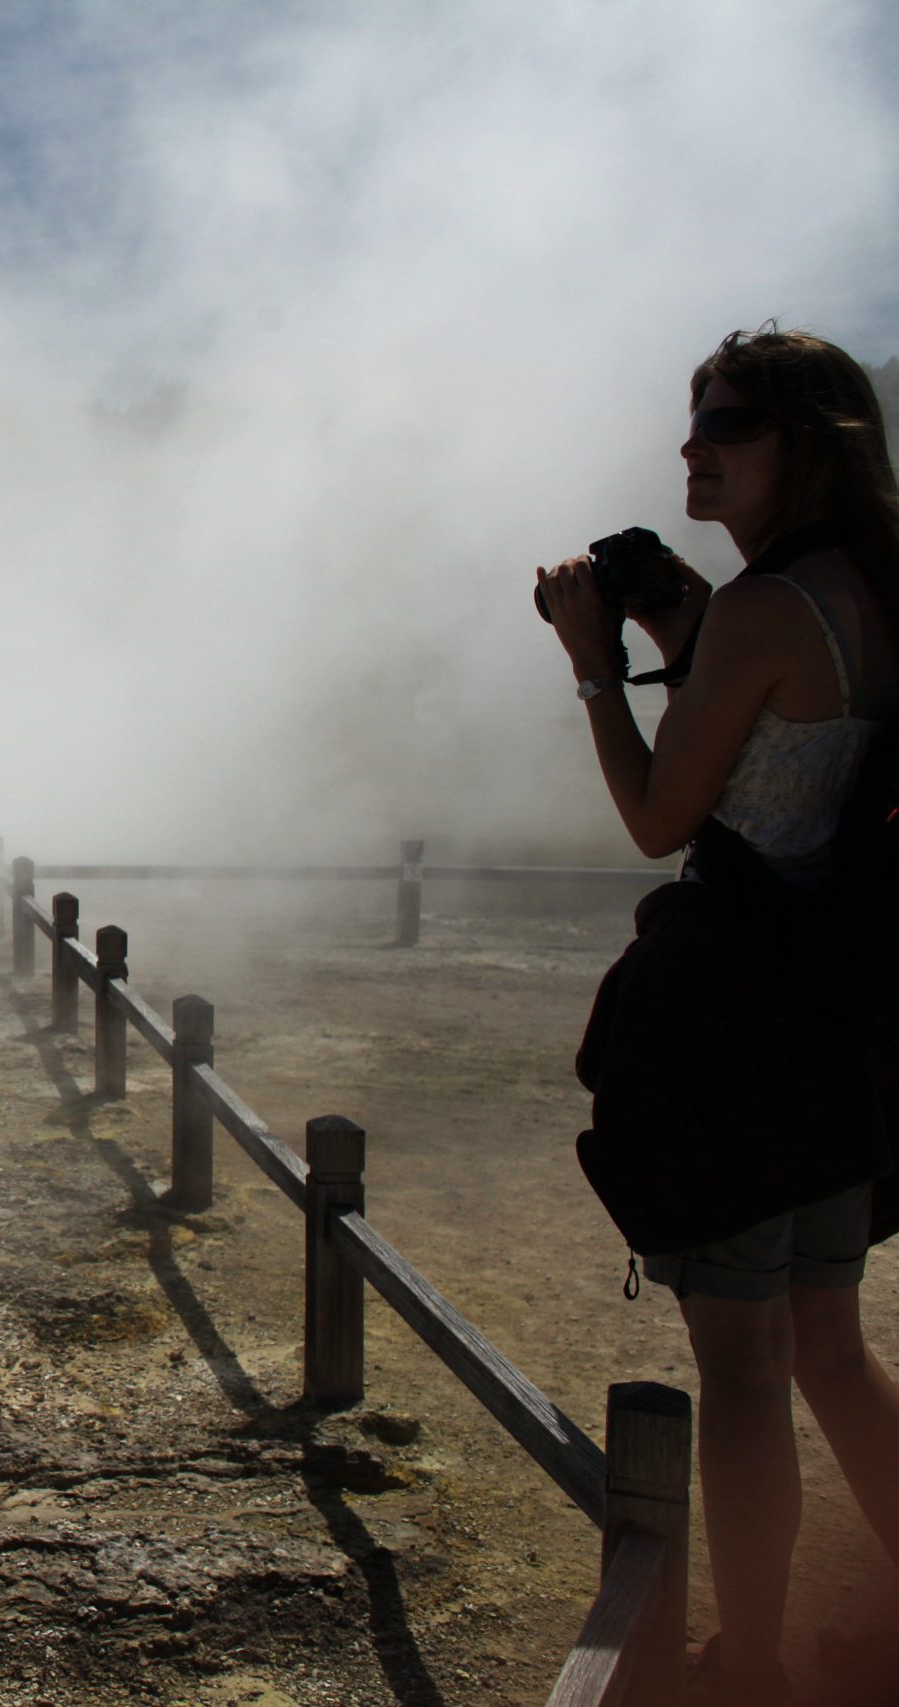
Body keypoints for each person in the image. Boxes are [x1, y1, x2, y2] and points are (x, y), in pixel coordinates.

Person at [540, 325, 899, 1700]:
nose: (694, 447)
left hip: (741, 1030)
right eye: (691, 422)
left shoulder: (763, 612)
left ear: (805, 441)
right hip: (846, 1023)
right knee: (830, 1347)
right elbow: (796, 751)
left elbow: (656, 820)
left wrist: (592, 659)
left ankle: (748, 1665)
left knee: (744, 1371)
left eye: (727, 424)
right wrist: (685, 629)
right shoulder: (865, 584)